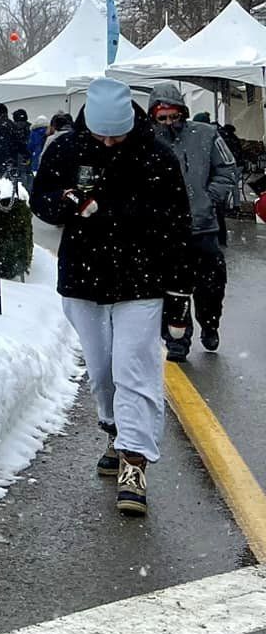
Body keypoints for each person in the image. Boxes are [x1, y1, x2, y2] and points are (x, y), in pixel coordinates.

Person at [32, 75, 191, 519]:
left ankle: (134, 462)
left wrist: (179, 289)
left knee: (134, 368)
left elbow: (176, 221)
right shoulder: (66, 149)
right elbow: (40, 199)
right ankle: (113, 428)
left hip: (141, 279)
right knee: (102, 371)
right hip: (84, 277)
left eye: (115, 134)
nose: (107, 141)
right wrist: (65, 202)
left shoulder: (156, 156)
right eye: (100, 134)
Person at [146, 81, 238, 359]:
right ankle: (176, 339)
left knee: (211, 286)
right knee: (173, 289)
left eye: (173, 115)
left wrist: (209, 198)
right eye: (162, 117)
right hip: (165, 231)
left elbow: (227, 169)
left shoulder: (206, 134)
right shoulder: (146, 142)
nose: (168, 122)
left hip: (203, 226)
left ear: (182, 112)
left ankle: (210, 324)